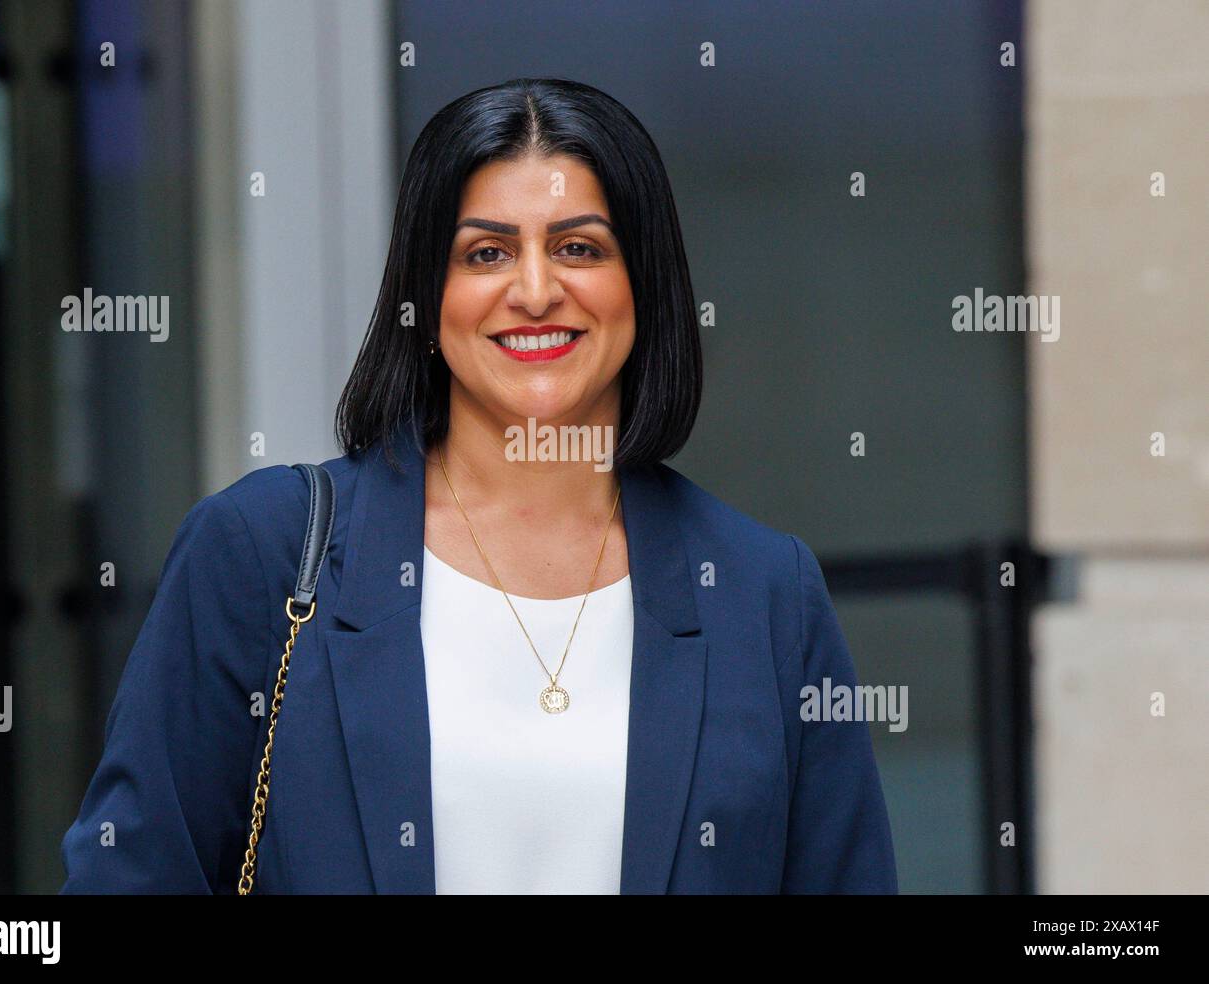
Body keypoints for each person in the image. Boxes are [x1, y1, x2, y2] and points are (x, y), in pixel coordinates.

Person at [60, 77, 897, 894]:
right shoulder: (262, 554)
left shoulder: (764, 594)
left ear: (642, 289)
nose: (535, 291)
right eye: (486, 252)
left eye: (579, 247)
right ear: (427, 300)